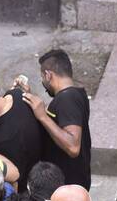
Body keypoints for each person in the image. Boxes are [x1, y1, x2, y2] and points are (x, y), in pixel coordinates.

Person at [22, 49, 91, 188]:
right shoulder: (76, 95)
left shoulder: (67, 99)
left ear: (48, 75)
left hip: (67, 187)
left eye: (42, 77)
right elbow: (58, 121)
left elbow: (73, 147)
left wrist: (42, 117)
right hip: (71, 183)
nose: (43, 81)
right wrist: (30, 96)